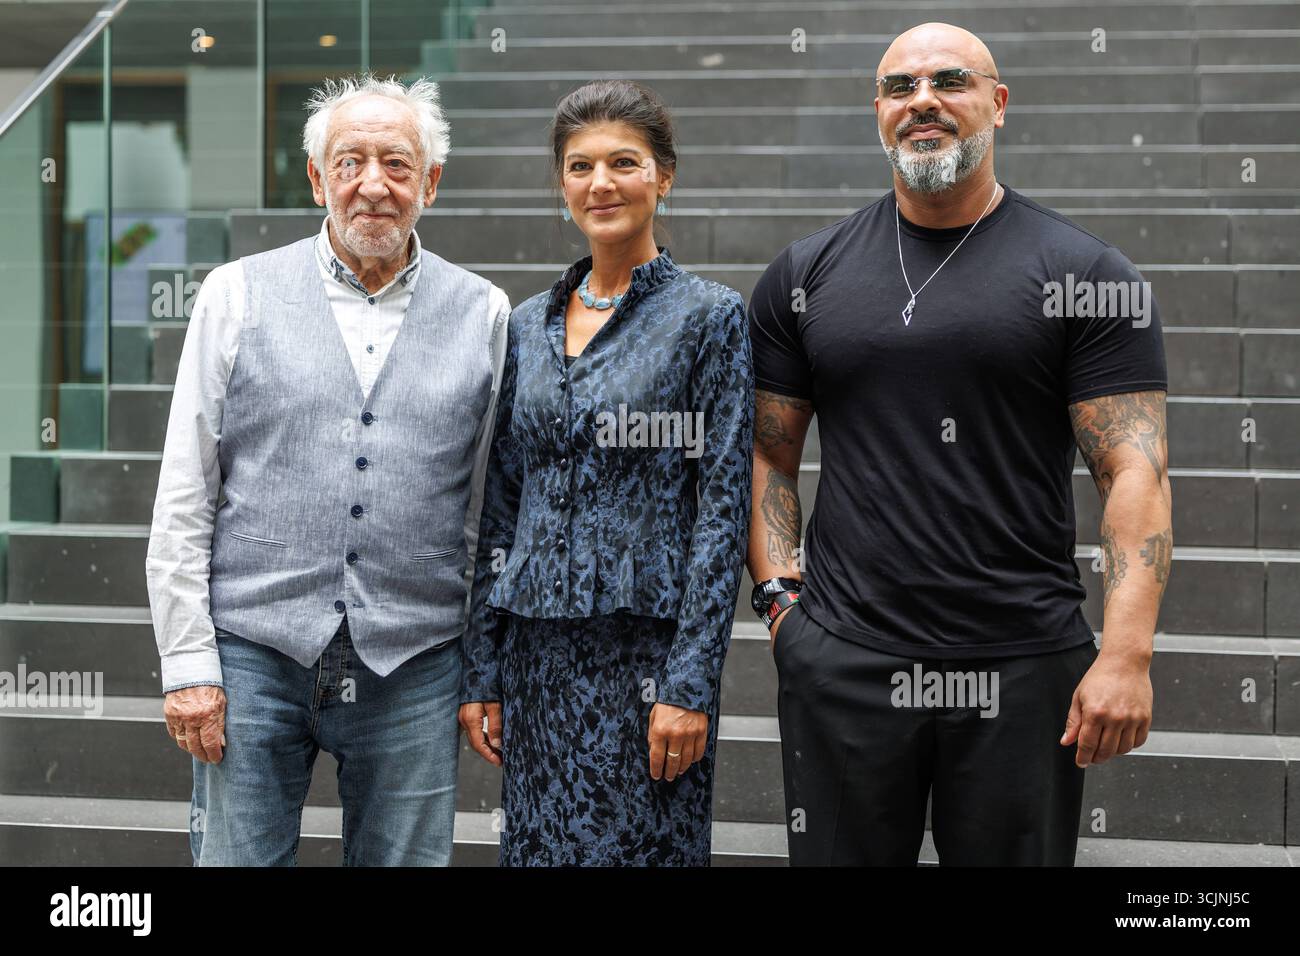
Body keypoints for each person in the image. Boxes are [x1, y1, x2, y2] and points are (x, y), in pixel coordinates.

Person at [746, 23, 1172, 866]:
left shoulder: (1086, 274)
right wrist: (783, 611)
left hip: (1021, 667)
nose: (924, 101)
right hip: (845, 661)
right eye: (900, 87)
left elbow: (1135, 469)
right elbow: (769, 456)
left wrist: (1126, 653)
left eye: (950, 81)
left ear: (998, 104)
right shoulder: (803, 276)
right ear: (877, 110)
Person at [146, 74, 511, 865]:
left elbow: (491, 510)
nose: (372, 185)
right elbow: (185, 491)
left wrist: (483, 662)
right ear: (317, 179)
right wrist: (187, 661)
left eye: (397, 164)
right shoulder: (233, 294)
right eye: (349, 163)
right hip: (253, 651)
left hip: (415, 660)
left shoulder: (485, 313)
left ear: (432, 183)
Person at [458, 79, 754, 866]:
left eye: (624, 162)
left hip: (647, 657)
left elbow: (724, 507)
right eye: (581, 166)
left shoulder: (709, 317)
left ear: (664, 176)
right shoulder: (525, 324)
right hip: (536, 655)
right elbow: (504, 501)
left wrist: (691, 682)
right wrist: (481, 670)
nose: (602, 184)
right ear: (562, 184)